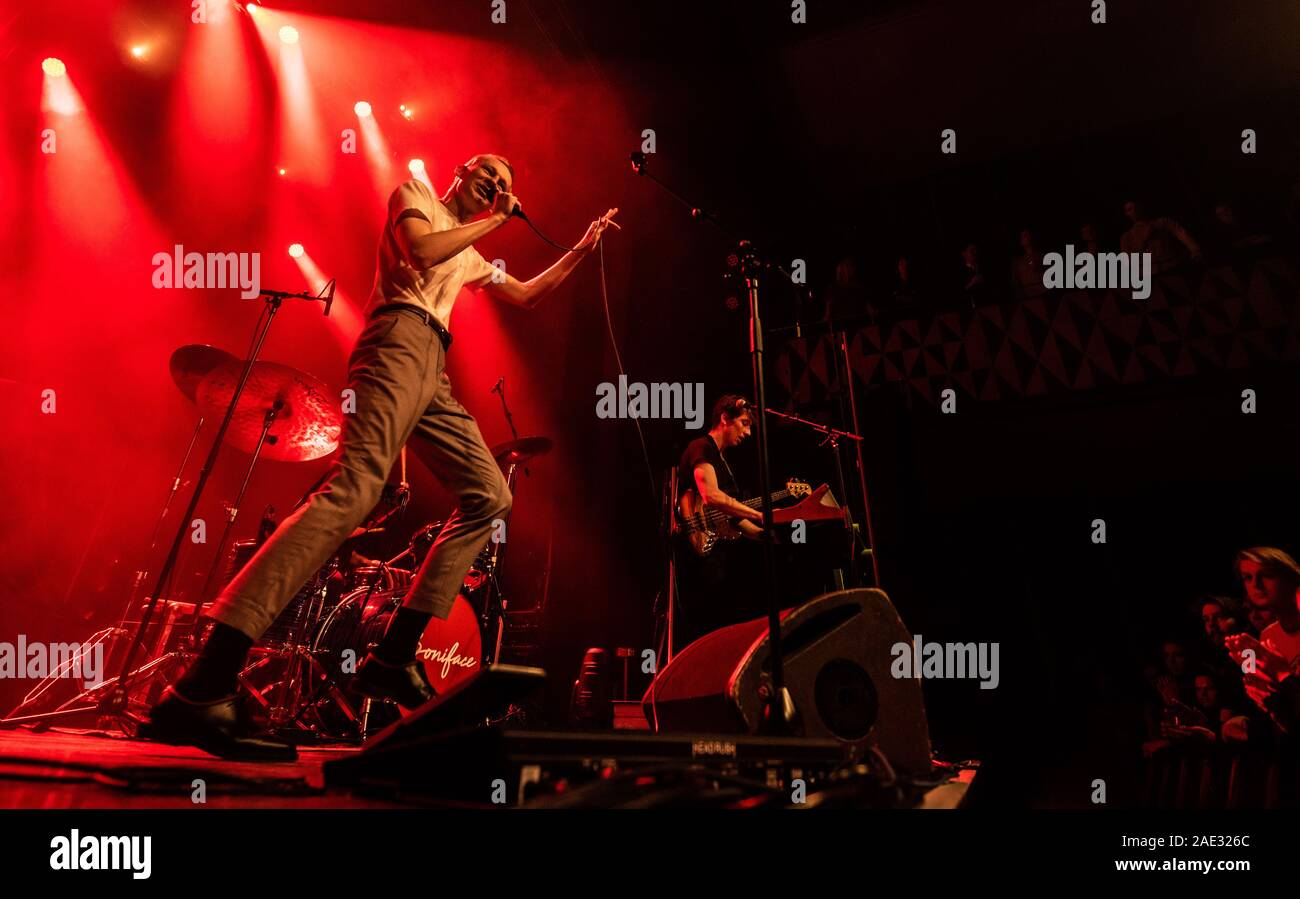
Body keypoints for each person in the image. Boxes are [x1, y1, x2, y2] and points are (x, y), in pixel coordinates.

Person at [143, 154, 618, 759]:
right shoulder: (414, 195)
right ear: (461, 171)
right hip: (396, 338)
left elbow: (526, 296)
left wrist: (581, 247)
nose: (496, 187)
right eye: (489, 174)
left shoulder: (469, 249)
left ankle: (393, 656)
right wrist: (498, 221)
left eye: (506, 185)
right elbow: (422, 253)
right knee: (355, 491)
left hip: (433, 365)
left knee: (489, 495)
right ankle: (205, 681)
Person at [672, 396, 767, 650]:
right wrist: (757, 513)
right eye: (744, 423)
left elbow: (732, 517)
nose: (747, 433)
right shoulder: (701, 447)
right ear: (725, 418)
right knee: (703, 636)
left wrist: (762, 532)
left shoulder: (725, 462)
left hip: (719, 564)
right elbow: (711, 496)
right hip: (697, 562)